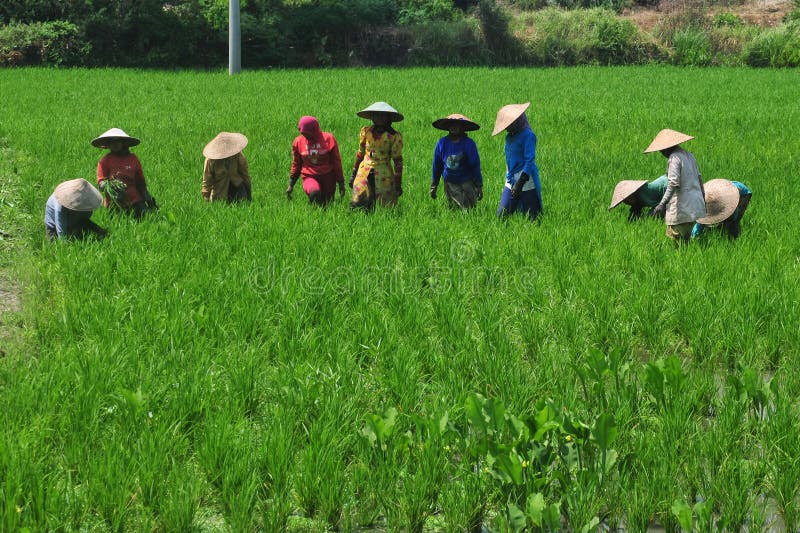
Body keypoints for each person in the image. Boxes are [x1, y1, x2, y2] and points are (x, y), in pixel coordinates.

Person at [645, 129, 706, 244]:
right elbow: (699, 179)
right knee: (687, 242)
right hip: (695, 205)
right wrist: (703, 199)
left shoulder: (674, 158)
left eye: (661, 150)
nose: (661, 153)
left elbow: (673, 183)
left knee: (676, 243)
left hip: (681, 207)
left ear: (667, 148)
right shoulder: (689, 156)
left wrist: (662, 204)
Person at [492, 102, 542, 222]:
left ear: (518, 121)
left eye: (509, 124)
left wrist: (520, 183)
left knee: (532, 218)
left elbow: (529, 160)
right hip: (511, 177)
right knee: (502, 215)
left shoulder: (528, 135)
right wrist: (512, 179)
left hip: (526, 178)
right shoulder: (509, 137)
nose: (507, 128)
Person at [349, 102, 404, 211]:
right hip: (364, 171)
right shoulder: (366, 132)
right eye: (376, 115)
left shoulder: (394, 136)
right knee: (359, 201)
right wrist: (353, 173)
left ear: (388, 118)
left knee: (385, 207)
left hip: (384, 174)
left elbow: (398, 161)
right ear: (372, 117)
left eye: (382, 115)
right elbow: (360, 153)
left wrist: (398, 184)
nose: (379, 118)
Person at [93, 128, 157, 219]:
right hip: (115, 202)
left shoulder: (133, 159)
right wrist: (111, 186)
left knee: (147, 219)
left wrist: (147, 197)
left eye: (118, 141)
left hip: (135, 200)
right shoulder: (105, 161)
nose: (115, 144)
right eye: (112, 142)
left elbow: (140, 182)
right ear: (108, 144)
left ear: (123, 142)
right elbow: (101, 183)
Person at [287, 116, 345, 206]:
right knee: (315, 193)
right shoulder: (298, 141)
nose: (306, 136)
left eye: (308, 134)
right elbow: (296, 163)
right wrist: (291, 184)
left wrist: (341, 182)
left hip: (328, 177)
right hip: (309, 176)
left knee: (327, 204)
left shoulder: (328, 139)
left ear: (315, 130)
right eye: (303, 133)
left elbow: (336, 162)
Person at [430, 114, 483, 210]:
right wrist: (434, 185)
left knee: (470, 209)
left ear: (463, 127)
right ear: (447, 127)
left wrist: (479, 185)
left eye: (457, 125)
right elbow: (436, 166)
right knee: (455, 209)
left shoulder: (469, 144)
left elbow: (475, 165)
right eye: (451, 124)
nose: (454, 127)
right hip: (450, 183)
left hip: (467, 182)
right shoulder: (442, 143)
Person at [202, 132, 252, 203]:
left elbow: (245, 174)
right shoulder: (210, 160)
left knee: (241, 206)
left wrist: (248, 193)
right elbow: (207, 181)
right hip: (220, 192)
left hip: (237, 188)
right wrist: (206, 200)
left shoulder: (238, 155)